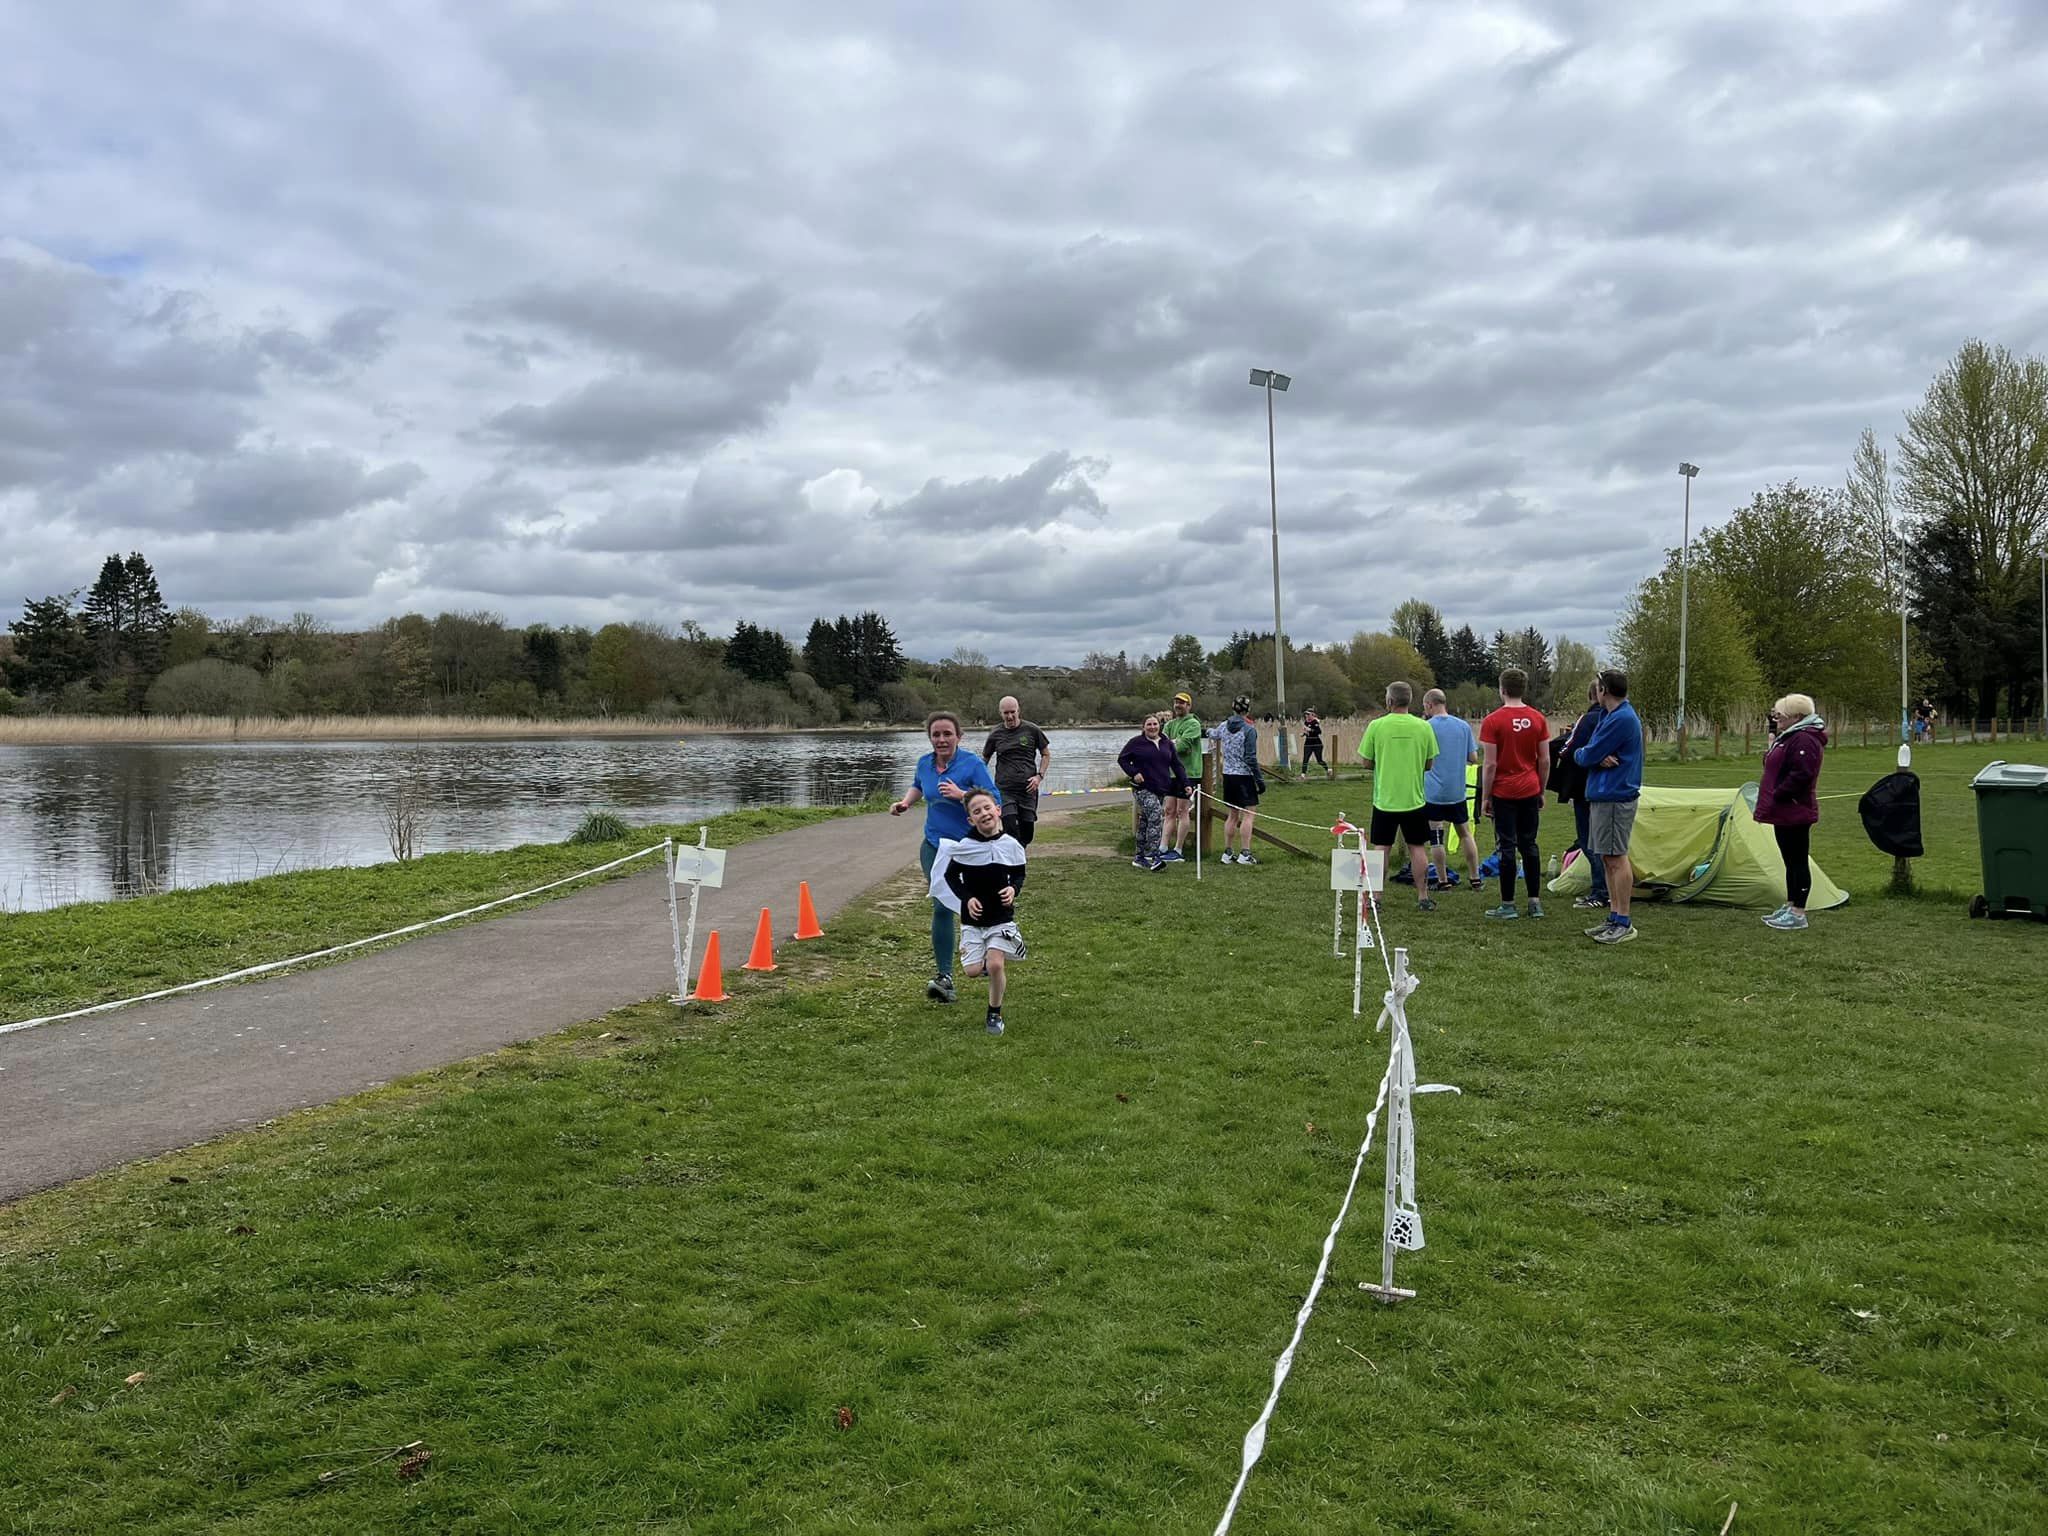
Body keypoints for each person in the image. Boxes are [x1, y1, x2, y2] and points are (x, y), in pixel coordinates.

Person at [890, 712, 1002, 1002]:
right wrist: (905, 802)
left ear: (958, 737)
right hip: (935, 847)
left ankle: (987, 955)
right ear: (930, 738)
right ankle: (945, 977)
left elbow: (994, 802)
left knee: (978, 903)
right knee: (942, 905)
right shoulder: (924, 763)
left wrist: (961, 794)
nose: (941, 739)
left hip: (971, 847)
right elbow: (918, 785)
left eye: (947, 734)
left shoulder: (972, 764)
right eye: (936, 735)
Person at [930, 787, 1027, 1035]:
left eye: (987, 808)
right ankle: (990, 962)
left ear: (997, 811)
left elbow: (1019, 872)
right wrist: (968, 897)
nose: (983, 813)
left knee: (995, 965)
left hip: (1001, 918)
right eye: (976, 811)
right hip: (973, 921)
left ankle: (994, 1013)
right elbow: (951, 876)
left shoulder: (1011, 845)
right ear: (970, 819)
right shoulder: (966, 847)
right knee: (972, 971)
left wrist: (1013, 890)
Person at [1572, 670, 1645, 945]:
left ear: (1604, 690)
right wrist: (1594, 755)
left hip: (1615, 794)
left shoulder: (1623, 718)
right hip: (1603, 794)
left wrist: (1591, 755)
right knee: (1605, 857)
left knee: (1616, 857)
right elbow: (1590, 751)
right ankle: (1613, 916)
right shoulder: (1609, 716)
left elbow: (1585, 753)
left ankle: (1624, 920)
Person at [1358, 681, 1439, 908]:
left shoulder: (1376, 726)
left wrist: (1384, 763)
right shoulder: (1424, 727)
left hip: (1385, 799)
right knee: (1417, 847)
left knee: (1382, 848)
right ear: (1410, 700)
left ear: (1389, 701)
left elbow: (1366, 761)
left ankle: (1376, 898)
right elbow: (1429, 764)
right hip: (1414, 799)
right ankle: (1423, 896)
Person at [1479, 666, 1550, 921]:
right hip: (1530, 788)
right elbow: (1544, 760)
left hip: (1504, 791)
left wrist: (1486, 797)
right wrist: (1541, 789)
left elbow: (1490, 764)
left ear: (1502, 689)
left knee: (1506, 846)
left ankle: (1508, 904)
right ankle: (1534, 902)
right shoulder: (1538, 719)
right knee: (1529, 845)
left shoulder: (1492, 721)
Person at [1755, 692, 1828, 931]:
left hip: (1794, 809)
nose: (1777, 719)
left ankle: (1799, 911)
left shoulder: (1804, 740)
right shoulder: (1789, 737)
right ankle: (1790, 904)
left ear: (1796, 716)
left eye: (1781, 715)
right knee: (1789, 860)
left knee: (1797, 860)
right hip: (1783, 809)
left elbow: (1802, 774)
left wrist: (1779, 793)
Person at [1552, 679, 1611, 912]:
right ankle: (1609, 889)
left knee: (1589, 840)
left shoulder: (1587, 720)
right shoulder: (1619, 719)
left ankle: (1600, 891)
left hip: (1585, 787)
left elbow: (1568, 749)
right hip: (1612, 788)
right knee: (1608, 843)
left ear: (1591, 696)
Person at [1421, 689, 1482, 895]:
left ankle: (1443, 880)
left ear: (1429, 705)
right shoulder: (1463, 726)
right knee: (1465, 833)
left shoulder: (1426, 727)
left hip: (1433, 793)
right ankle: (1475, 878)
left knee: (1436, 836)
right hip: (1457, 792)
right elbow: (1473, 757)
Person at [1118, 713, 1189, 871]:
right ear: (1143, 727)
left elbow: (1176, 765)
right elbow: (1122, 759)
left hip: (1161, 788)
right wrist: (1134, 773)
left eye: (1155, 724)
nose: (1152, 727)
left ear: (1160, 726)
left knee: (1145, 822)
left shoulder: (1167, 743)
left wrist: (1185, 783)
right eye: (1149, 725)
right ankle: (1155, 856)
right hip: (1143, 788)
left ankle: (1139, 857)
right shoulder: (1136, 743)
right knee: (1156, 815)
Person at [981, 696, 1051, 848]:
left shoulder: (1032, 730)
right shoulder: (995, 734)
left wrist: (1039, 776)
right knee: (1010, 827)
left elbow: (1046, 754)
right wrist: (979, 781)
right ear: (1000, 713)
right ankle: (1012, 861)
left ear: (1019, 711)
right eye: (1006, 713)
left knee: (1027, 834)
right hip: (1005, 789)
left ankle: (1018, 850)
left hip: (1028, 790)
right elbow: (985, 759)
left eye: (1013, 712)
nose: (1010, 716)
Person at [1206, 695, 1265, 865]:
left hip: (1228, 775)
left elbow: (1212, 734)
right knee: (1249, 814)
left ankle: (1228, 852)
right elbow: (1251, 758)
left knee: (1232, 816)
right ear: (1248, 710)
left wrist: (1205, 730)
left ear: (1233, 708)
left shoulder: (1224, 726)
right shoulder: (1249, 730)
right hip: (1244, 776)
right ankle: (1245, 853)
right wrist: (1259, 781)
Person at [1160, 691, 1203, 862]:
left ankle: (1178, 849)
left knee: (1182, 811)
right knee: (1169, 810)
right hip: (1170, 773)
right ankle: (1163, 846)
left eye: (1182, 703)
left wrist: (1171, 743)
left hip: (1189, 774)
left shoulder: (1193, 724)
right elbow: (1161, 743)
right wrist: (1172, 743)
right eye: (1176, 702)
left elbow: (1182, 746)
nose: (1178, 705)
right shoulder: (1170, 724)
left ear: (1189, 706)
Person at [1300, 708, 1328, 776]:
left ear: (1312, 715)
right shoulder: (1306, 723)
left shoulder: (1315, 722)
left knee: (1319, 760)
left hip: (1316, 744)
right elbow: (1307, 732)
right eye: (1306, 715)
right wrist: (1303, 734)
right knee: (1305, 759)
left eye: (1308, 714)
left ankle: (1328, 770)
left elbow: (1319, 732)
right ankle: (1303, 774)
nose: (1307, 716)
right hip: (1308, 744)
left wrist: (1310, 730)